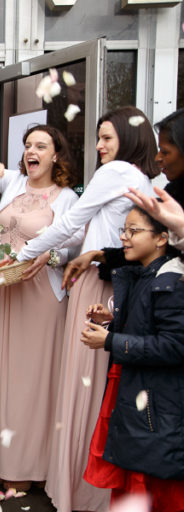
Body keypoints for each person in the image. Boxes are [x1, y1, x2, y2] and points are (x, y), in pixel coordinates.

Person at [15, 106, 158, 511]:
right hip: (116, 282)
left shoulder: (117, 173)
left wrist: (24, 254)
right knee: (96, 387)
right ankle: (92, 487)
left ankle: (78, 489)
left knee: (82, 383)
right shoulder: (142, 177)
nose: (98, 146)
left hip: (98, 284)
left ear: (129, 140)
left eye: (107, 137)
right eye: (98, 137)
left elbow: (70, 221)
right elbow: (89, 231)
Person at [0, 125, 82, 492]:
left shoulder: (67, 198)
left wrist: (50, 255)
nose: (32, 151)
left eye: (41, 145)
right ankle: (1, 460)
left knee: (32, 383)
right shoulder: (12, 182)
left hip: (41, 294)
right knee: (1, 378)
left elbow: (73, 247)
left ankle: (30, 466)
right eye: (27, 145)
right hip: (4, 290)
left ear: (56, 155)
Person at [81, 206, 184, 510]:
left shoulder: (170, 282)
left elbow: (174, 346)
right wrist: (112, 322)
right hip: (138, 393)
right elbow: (150, 327)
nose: (124, 238)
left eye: (133, 231)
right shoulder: (147, 274)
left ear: (162, 237)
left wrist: (111, 340)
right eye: (124, 230)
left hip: (156, 400)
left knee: (154, 486)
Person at [64, 107, 184, 284]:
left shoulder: (118, 171)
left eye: (165, 152)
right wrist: (99, 255)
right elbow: (148, 254)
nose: (158, 158)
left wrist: (28, 253)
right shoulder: (169, 194)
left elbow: (69, 223)